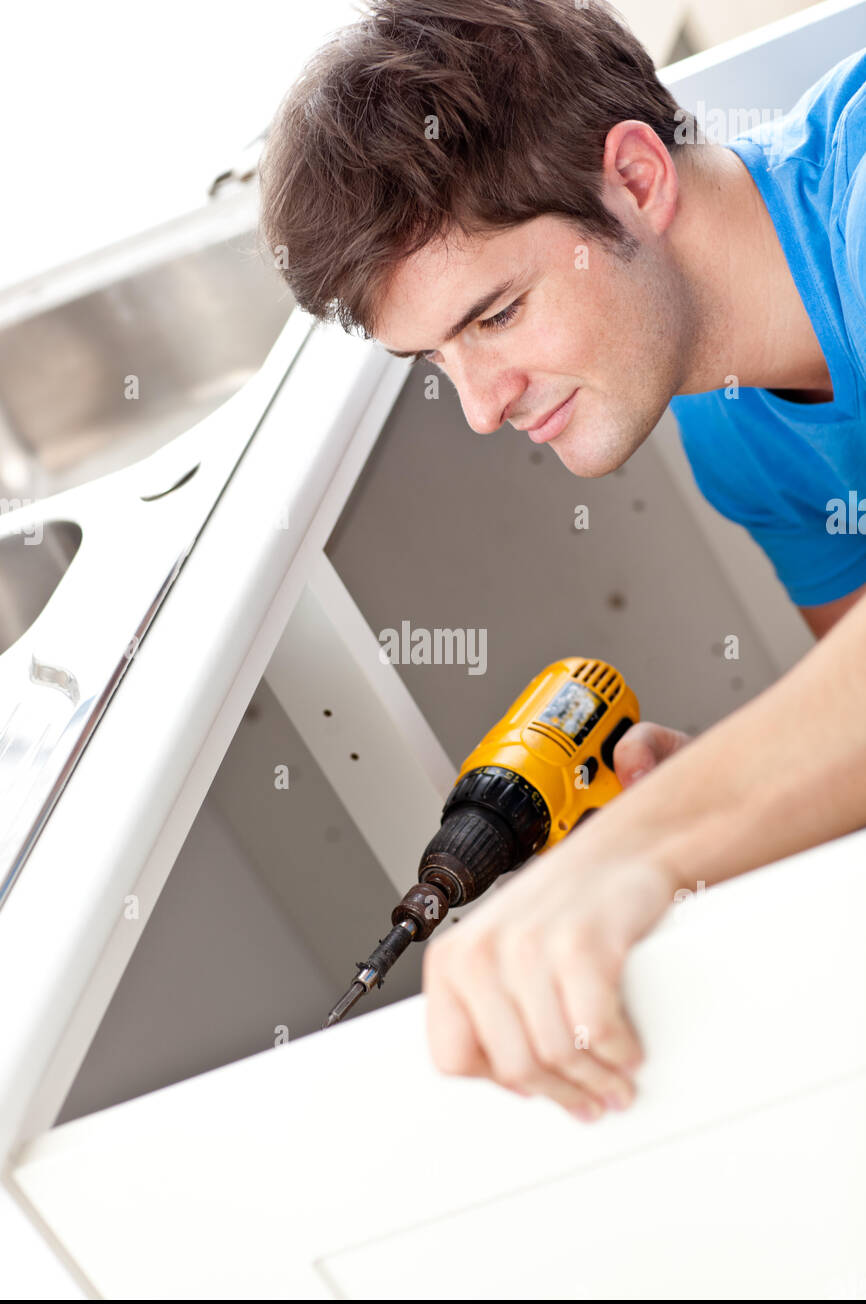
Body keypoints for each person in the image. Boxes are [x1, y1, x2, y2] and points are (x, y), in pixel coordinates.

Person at [259, 0, 866, 1122]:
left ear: (634, 180)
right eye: (436, 361)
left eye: (493, 316)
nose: (480, 408)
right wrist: (736, 805)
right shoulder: (735, 437)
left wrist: (642, 843)